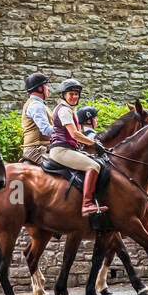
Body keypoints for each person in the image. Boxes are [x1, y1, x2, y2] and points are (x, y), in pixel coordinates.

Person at [47, 79, 106, 216]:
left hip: (68, 149)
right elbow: (74, 134)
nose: (74, 97)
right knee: (94, 166)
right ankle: (86, 204)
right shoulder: (64, 111)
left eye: (76, 94)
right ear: (64, 95)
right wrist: (94, 144)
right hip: (61, 150)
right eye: (71, 94)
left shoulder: (70, 110)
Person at [20, 72, 53, 164]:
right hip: (36, 150)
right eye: (46, 85)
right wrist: (64, 131)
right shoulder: (36, 105)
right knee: (63, 165)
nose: (48, 88)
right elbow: (46, 130)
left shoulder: (39, 103)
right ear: (40, 88)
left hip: (43, 147)